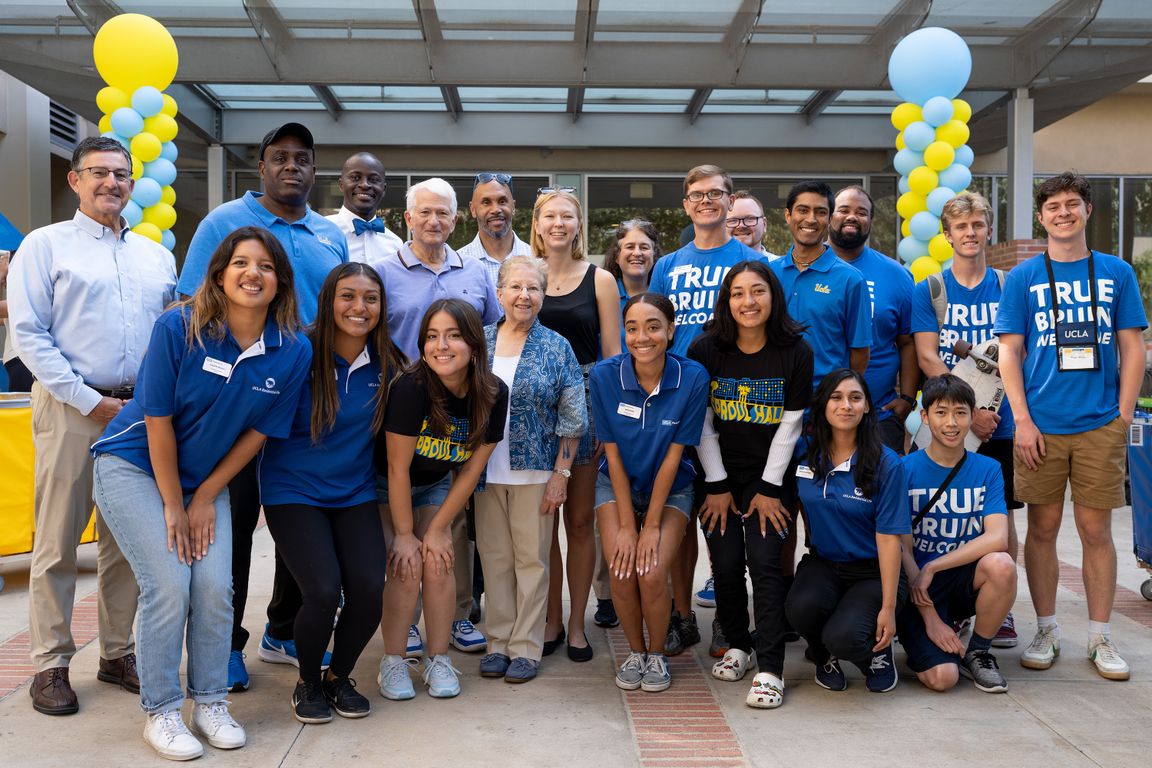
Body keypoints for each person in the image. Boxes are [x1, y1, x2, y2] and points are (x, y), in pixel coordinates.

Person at [90, 226, 310, 760]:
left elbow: (259, 434)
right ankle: (161, 711)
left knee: (215, 588)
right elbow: (158, 421)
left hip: (203, 482)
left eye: (265, 265)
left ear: (280, 281)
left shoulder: (293, 349)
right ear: (219, 274)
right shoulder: (179, 327)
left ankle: (210, 701)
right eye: (240, 263)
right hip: (134, 466)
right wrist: (174, 504)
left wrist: (205, 495)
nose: (252, 273)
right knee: (169, 583)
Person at [8, 136, 176, 715]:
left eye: (122, 173)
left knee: (125, 541)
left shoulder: (155, 255)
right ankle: (51, 663)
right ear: (75, 180)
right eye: (99, 172)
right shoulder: (45, 245)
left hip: (136, 415)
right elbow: (29, 334)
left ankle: (117, 651)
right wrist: (86, 399)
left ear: (133, 183)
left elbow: (170, 335)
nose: (112, 182)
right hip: (72, 408)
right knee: (56, 539)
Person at [178, 122, 347, 689]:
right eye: (280, 157)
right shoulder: (224, 223)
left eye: (302, 158)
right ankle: (224, 644)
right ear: (263, 167)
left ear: (314, 170)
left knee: (302, 513)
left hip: (312, 406)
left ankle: (283, 628)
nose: (291, 167)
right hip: (246, 401)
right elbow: (191, 304)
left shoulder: (330, 234)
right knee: (238, 525)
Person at [996, 171, 1148, 681]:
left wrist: (1123, 415)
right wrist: (1021, 419)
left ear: (1087, 211)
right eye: (1053, 206)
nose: (1063, 212)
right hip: (1039, 425)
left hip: (1099, 424)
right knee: (1040, 530)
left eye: (1072, 204)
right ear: (1041, 218)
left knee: (1094, 530)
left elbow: (1132, 346)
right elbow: (1010, 351)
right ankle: (1046, 628)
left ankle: (1100, 636)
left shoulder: (1116, 272)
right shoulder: (1022, 278)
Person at [259, 262, 407, 723]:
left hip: (354, 490)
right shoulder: (298, 352)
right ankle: (307, 682)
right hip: (292, 490)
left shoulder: (390, 366)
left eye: (370, 298)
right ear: (328, 300)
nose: (359, 307)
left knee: (367, 588)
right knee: (322, 590)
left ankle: (338, 678)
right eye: (347, 295)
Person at [377, 177, 502, 656]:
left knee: (451, 532)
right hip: (401, 414)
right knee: (401, 542)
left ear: (456, 219)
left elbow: (488, 334)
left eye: (443, 214)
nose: (433, 221)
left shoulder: (474, 273)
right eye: (424, 212)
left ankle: (453, 619)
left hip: (458, 420)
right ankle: (404, 626)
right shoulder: (385, 272)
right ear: (407, 218)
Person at [648, 165, 767, 656]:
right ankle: (681, 614)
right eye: (697, 194)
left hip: (737, 403)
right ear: (686, 204)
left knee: (729, 517)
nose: (706, 201)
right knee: (684, 509)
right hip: (678, 401)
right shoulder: (668, 265)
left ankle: (729, 617)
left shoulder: (753, 260)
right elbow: (651, 327)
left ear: (729, 199)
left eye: (715, 193)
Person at [690, 261, 812, 709]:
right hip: (718, 474)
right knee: (723, 564)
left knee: (764, 563)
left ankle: (771, 667)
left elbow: (792, 423)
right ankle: (739, 644)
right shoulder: (706, 349)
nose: (748, 302)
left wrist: (767, 487)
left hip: (771, 478)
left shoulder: (796, 350)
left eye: (757, 291)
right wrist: (717, 485)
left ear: (773, 296)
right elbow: (702, 422)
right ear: (727, 301)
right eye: (738, 293)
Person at [375, 299, 508, 700]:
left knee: (438, 559)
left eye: (453, 335)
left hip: (434, 485)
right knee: (407, 563)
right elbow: (397, 469)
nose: (441, 345)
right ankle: (394, 660)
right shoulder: (411, 388)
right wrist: (404, 533)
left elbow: (470, 470)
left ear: (473, 343)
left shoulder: (493, 392)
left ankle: (437, 658)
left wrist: (436, 530)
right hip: (385, 485)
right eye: (431, 336)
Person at [912, 191, 1022, 648]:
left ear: (988, 230)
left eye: (977, 225)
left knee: (1002, 516)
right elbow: (925, 355)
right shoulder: (931, 290)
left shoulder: (1008, 286)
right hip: (948, 423)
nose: (970, 233)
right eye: (961, 227)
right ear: (947, 234)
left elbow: (1019, 352)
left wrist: (991, 413)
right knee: (940, 512)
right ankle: (942, 602)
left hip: (1003, 423)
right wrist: (967, 410)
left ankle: (1003, 608)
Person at [475, 256, 587, 683]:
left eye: (534, 288)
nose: (525, 296)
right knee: (496, 559)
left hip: (536, 473)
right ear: (500, 292)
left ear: (543, 295)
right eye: (516, 287)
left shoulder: (557, 347)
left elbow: (573, 417)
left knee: (532, 562)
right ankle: (497, 643)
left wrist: (562, 474)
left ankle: (526, 647)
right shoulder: (479, 341)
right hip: (484, 473)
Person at [590, 293, 709, 693]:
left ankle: (657, 654)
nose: (643, 337)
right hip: (617, 482)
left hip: (671, 487)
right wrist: (628, 525)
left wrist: (651, 524)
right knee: (622, 569)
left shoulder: (692, 377)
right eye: (633, 328)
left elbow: (675, 457)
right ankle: (635, 652)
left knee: (652, 571)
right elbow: (611, 454)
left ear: (671, 330)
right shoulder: (606, 377)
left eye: (654, 326)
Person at [533, 188, 621, 663]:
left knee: (581, 521)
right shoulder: (525, 276)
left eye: (568, 215)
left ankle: (576, 623)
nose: (559, 223)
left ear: (578, 225)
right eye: (551, 216)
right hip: (537, 409)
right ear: (538, 224)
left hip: (587, 404)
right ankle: (548, 619)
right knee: (543, 524)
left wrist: (610, 426)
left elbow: (612, 358)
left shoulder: (601, 279)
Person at [784, 369, 909, 693]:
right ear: (823, 404)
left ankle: (878, 653)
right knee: (799, 607)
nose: (846, 406)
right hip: (825, 563)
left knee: (845, 636)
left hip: (872, 571)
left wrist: (888, 608)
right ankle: (824, 654)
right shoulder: (804, 452)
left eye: (855, 398)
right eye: (836, 398)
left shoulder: (886, 463)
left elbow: (888, 538)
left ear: (867, 406)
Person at [897, 374, 1017, 694]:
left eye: (961, 413)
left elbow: (997, 538)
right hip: (916, 585)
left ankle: (978, 651)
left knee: (1001, 565)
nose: (951, 423)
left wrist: (935, 566)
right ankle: (923, 642)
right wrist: (929, 614)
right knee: (943, 679)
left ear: (972, 415)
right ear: (924, 417)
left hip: (956, 577)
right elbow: (902, 548)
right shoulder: (903, 470)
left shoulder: (988, 469)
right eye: (941, 412)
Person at [828, 185, 917, 453]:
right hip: (817, 415)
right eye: (843, 210)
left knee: (881, 491)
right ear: (830, 216)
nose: (852, 216)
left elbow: (907, 342)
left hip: (880, 415)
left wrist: (907, 399)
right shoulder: (806, 268)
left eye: (861, 212)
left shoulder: (896, 275)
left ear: (871, 221)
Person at [770, 180, 872, 391]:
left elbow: (860, 353)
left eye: (820, 212)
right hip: (773, 400)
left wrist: (838, 395)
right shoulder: (767, 273)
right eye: (803, 210)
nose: (811, 219)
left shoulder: (850, 279)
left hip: (823, 403)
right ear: (788, 215)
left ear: (829, 218)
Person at [326, 152, 403, 268]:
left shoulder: (395, 244)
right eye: (355, 178)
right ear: (341, 184)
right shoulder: (322, 232)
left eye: (374, 179)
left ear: (384, 189)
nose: (365, 185)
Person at [458, 172, 533, 285]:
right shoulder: (458, 264)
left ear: (513, 207)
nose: (496, 209)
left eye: (502, 201)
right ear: (473, 209)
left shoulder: (535, 259)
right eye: (486, 202)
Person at [726, 191, 780, 260]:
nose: (741, 226)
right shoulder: (711, 267)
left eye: (749, 219)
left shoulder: (780, 269)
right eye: (733, 220)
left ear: (764, 224)